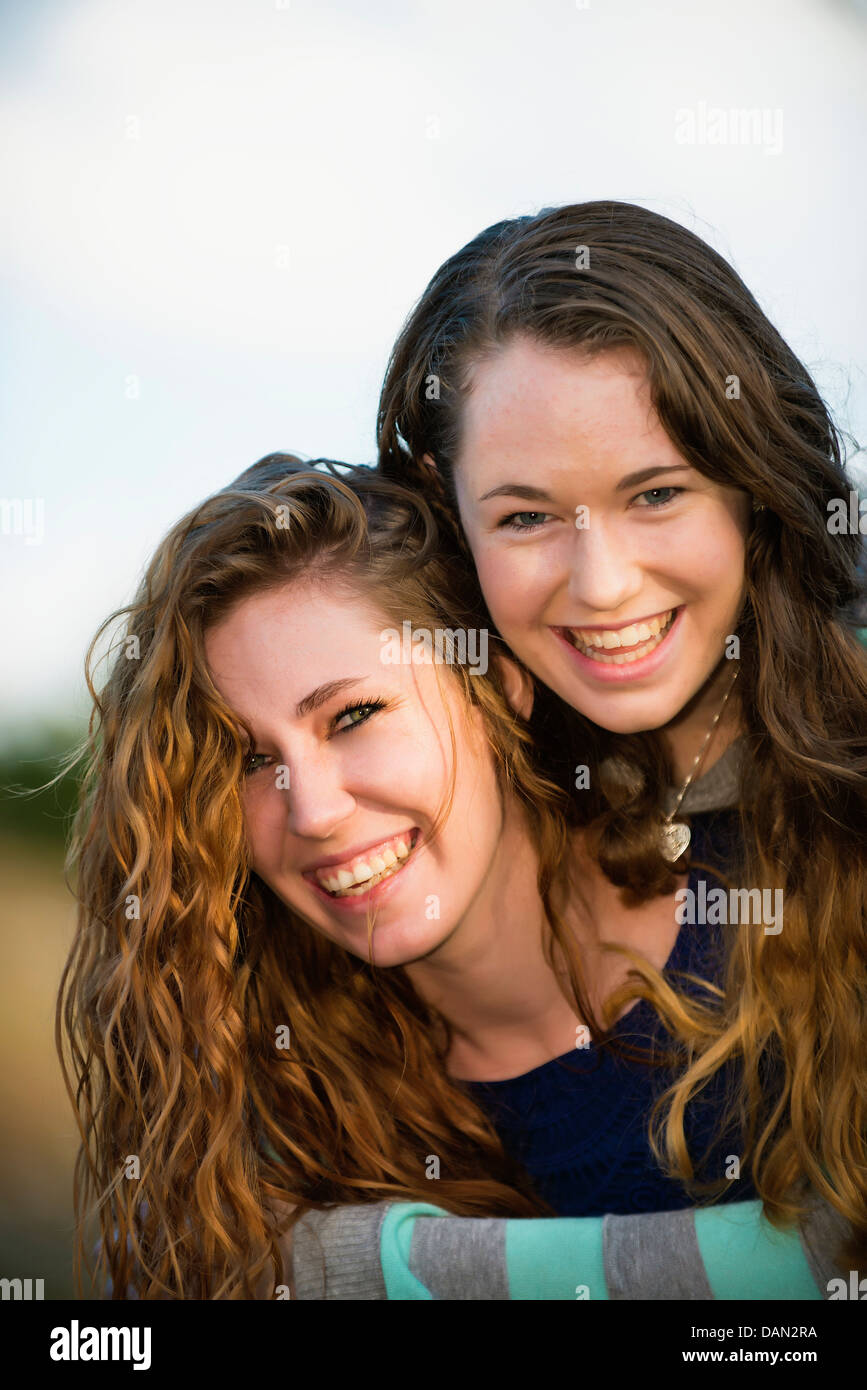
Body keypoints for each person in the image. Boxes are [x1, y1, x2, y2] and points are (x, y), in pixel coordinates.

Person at [58, 454, 855, 1299]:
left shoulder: (804, 890)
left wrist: (388, 1269)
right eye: (249, 761)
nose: (313, 811)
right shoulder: (283, 1108)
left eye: (353, 716)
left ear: (496, 681)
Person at [376, 200, 867, 1270]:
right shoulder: (436, 808)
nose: (602, 585)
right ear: (446, 516)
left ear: (750, 481)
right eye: (525, 516)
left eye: (656, 493)